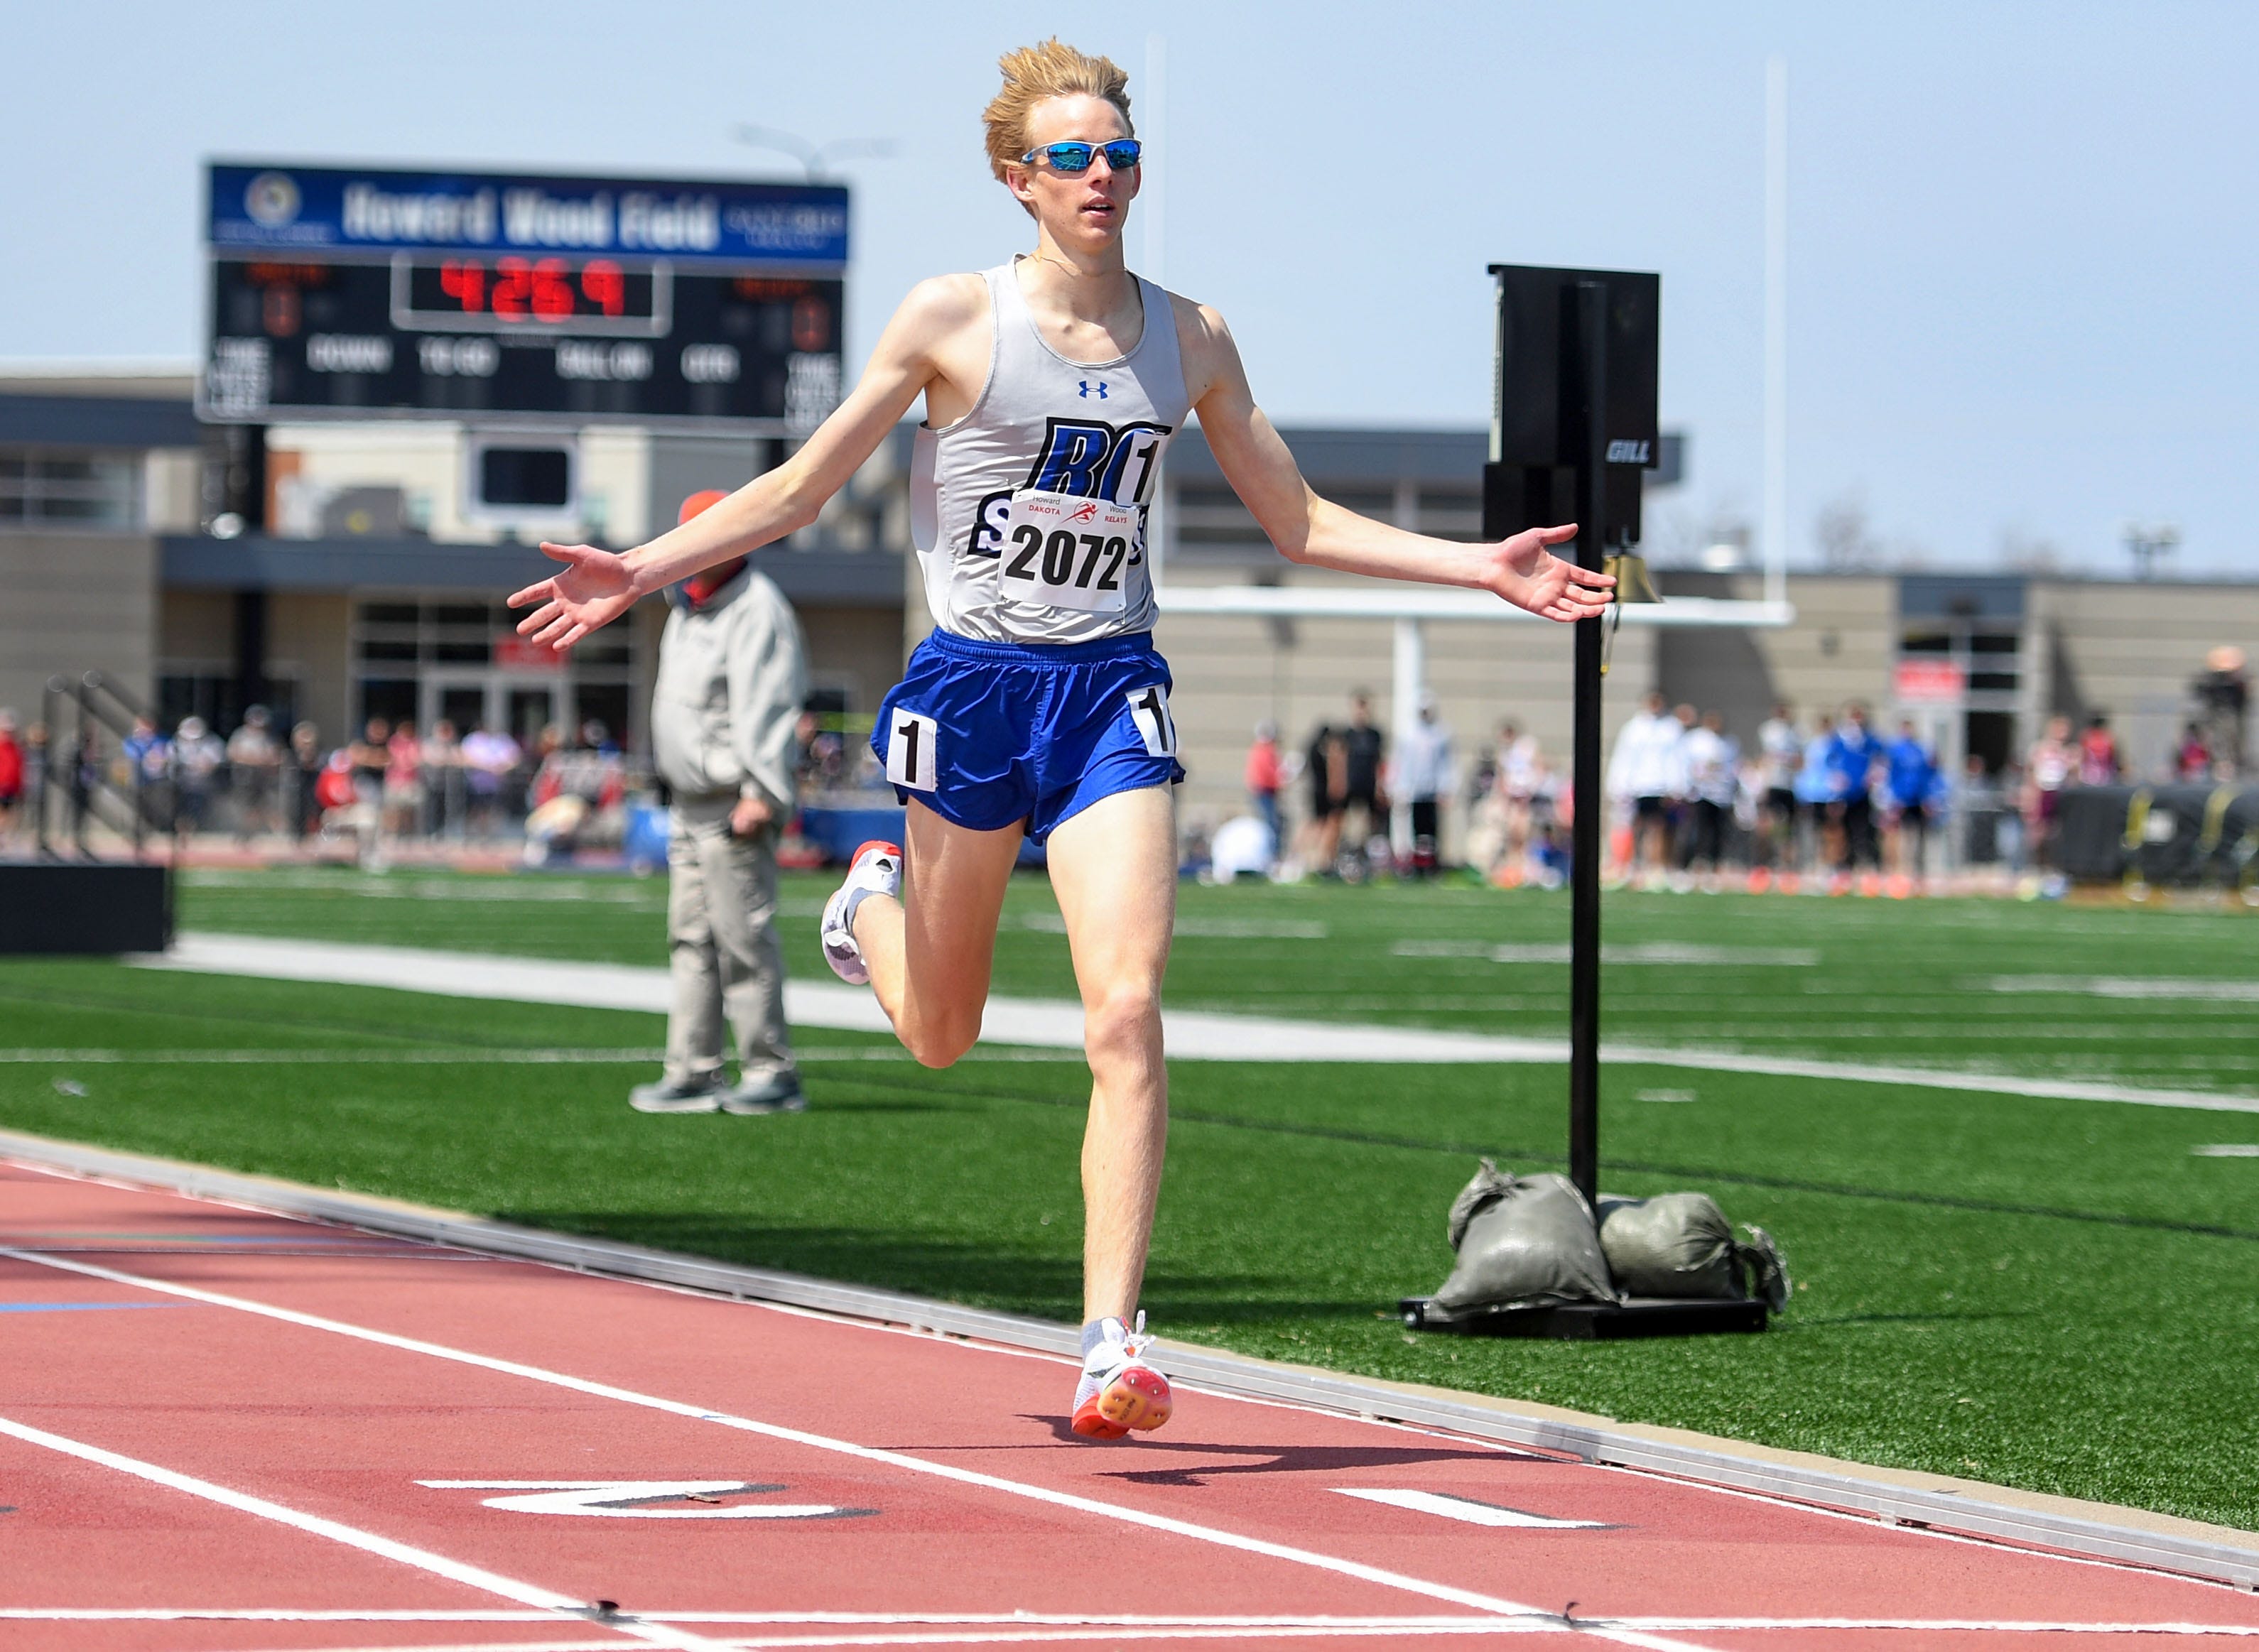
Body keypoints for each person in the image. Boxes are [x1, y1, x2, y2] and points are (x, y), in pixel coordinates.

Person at [507, 39, 1610, 1441]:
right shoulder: (954, 318)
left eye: (1122, 154)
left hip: (1111, 694)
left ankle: (1108, 1341)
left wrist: (1478, 566)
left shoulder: (1191, 333)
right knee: (945, 1033)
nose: (1104, 177)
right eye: (1075, 158)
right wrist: (642, 569)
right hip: (971, 689)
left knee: (1126, 1008)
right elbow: (798, 488)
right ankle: (871, 916)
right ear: (1017, 177)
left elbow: (1300, 519)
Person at [631, 489, 810, 1117]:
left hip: (733, 800)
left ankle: (770, 1070)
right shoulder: (687, 603)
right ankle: (693, 1069)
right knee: (690, 940)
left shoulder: (757, 610)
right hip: (688, 801)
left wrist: (763, 791)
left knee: (743, 941)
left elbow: (769, 710)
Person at [1605, 690, 1683, 879]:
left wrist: (1676, 785)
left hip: (1660, 787)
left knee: (1657, 828)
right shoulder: (1633, 728)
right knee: (1634, 827)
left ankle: (1655, 867)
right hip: (1637, 787)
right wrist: (1619, 784)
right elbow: (1624, 758)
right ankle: (1629, 866)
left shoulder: (1671, 727)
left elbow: (1677, 759)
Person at [1392, 692, 1454, 876]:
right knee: (1416, 830)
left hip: (1432, 790)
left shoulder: (1440, 733)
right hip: (1414, 791)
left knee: (1432, 829)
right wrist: (1400, 788)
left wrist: (1446, 788)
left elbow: (1445, 765)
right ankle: (1417, 865)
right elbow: (1402, 763)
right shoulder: (1409, 734)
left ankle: (1432, 865)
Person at [1882, 719, 1941, 881]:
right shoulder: (1895, 751)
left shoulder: (1921, 750)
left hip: (1918, 800)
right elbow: (1891, 776)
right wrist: (1894, 799)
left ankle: (1917, 871)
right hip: (1901, 801)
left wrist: (1928, 798)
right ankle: (1897, 870)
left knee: (1918, 837)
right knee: (1897, 836)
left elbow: (1928, 776)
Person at [225, 705, 283, 843]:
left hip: (263, 778)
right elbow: (233, 754)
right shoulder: (240, 735)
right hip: (244, 777)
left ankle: (264, 833)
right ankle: (244, 834)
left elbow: (276, 756)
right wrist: (253, 760)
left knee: (263, 806)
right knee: (245, 807)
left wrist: (262, 761)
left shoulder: (269, 738)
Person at [1242, 719, 1284, 852]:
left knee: (1269, 823)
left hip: (1261, 791)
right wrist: (1281, 781)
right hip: (1264, 791)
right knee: (1270, 825)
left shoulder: (1257, 749)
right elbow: (1268, 773)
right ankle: (1271, 854)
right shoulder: (1265, 750)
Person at [0, 710, 23, 847]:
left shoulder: (15, 748)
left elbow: (17, 768)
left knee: (11, 815)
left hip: (12, 787)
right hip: (2, 786)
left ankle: (5, 838)